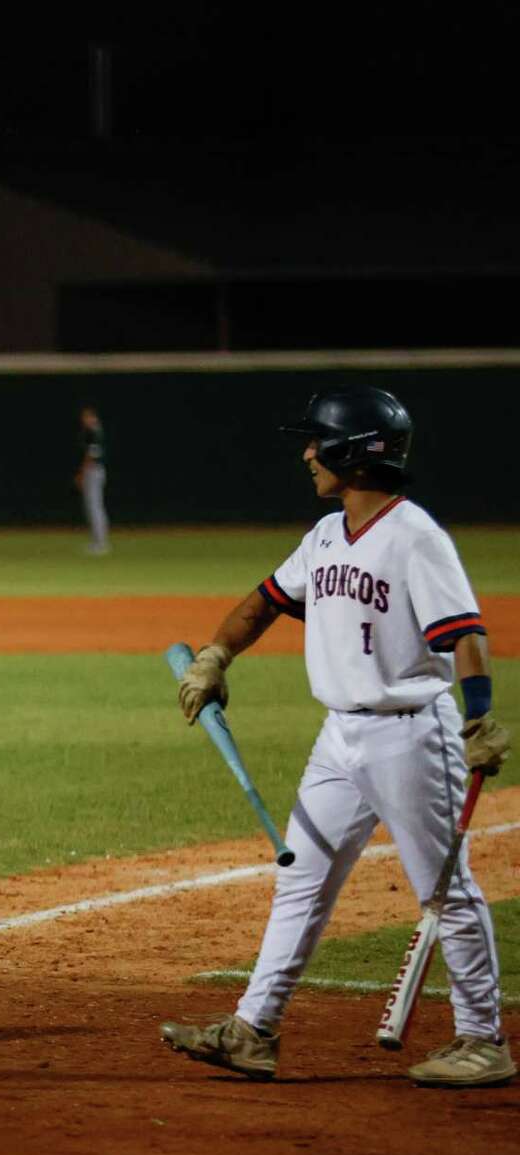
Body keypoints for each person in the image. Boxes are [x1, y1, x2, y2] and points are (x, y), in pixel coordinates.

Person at [160, 387, 512, 1087]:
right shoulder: (325, 536)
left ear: (353, 453)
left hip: (411, 737)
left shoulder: (415, 537)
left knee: (445, 891)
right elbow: (264, 602)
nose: (307, 454)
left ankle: (483, 1039)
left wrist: (478, 717)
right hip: (338, 740)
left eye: (318, 441)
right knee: (301, 880)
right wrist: (216, 656)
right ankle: (253, 1030)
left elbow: (464, 634)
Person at [75, 405, 110, 555]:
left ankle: (101, 543)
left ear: (93, 417)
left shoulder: (95, 433)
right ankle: (97, 541)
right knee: (93, 507)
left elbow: (91, 456)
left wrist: (82, 474)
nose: (84, 421)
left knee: (95, 507)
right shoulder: (95, 431)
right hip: (95, 471)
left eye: (87, 417)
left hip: (94, 471)